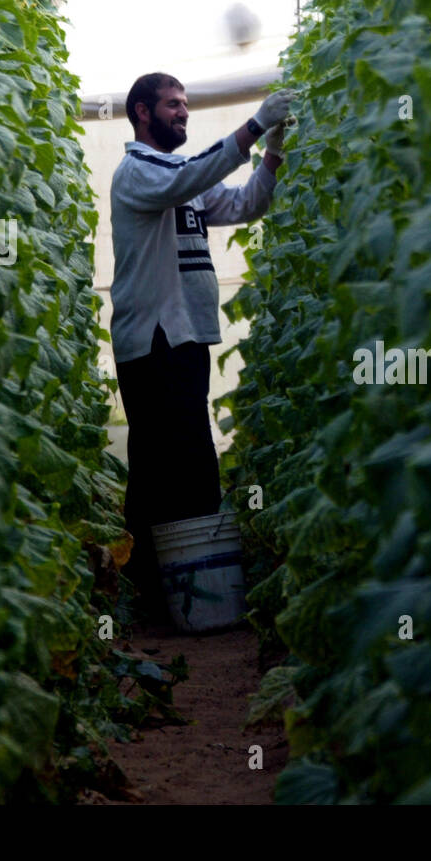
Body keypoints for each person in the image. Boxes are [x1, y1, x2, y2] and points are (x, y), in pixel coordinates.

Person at [110, 72, 295, 619]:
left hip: (185, 333)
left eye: (186, 104)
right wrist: (255, 126)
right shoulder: (138, 171)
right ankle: (160, 594)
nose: (184, 112)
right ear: (143, 113)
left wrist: (272, 155)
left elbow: (242, 205)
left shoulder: (178, 175)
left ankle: (182, 587)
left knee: (182, 459)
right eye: (173, 105)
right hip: (153, 339)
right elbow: (190, 177)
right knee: (164, 463)